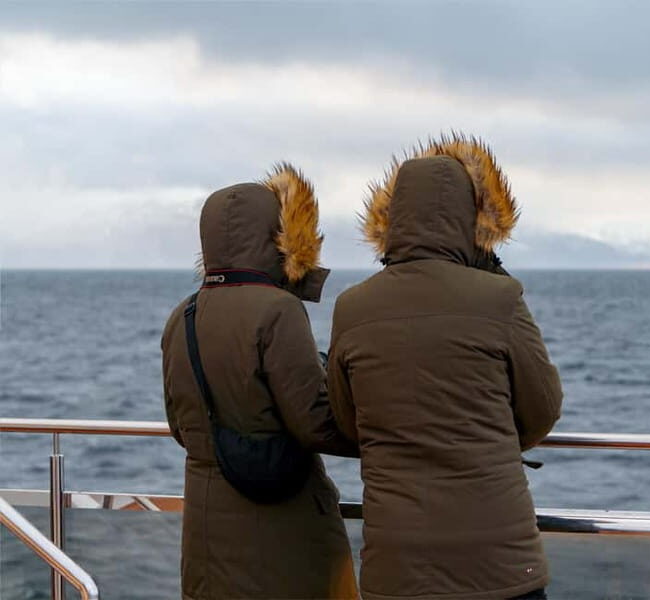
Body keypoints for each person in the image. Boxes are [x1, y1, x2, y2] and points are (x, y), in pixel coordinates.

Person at [327, 134, 563, 600]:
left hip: (398, 565)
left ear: (390, 219)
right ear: (471, 218)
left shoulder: (352, 308)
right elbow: (543, 408)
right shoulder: (499, 298)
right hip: (499, 559)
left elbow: (345, 419)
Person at [161, 164, 359, 600]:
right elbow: (315, 423)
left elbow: (180, 426)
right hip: (283, 534)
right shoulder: (278, 310)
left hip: (207, 533)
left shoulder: (184, 315)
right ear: (280, 238)